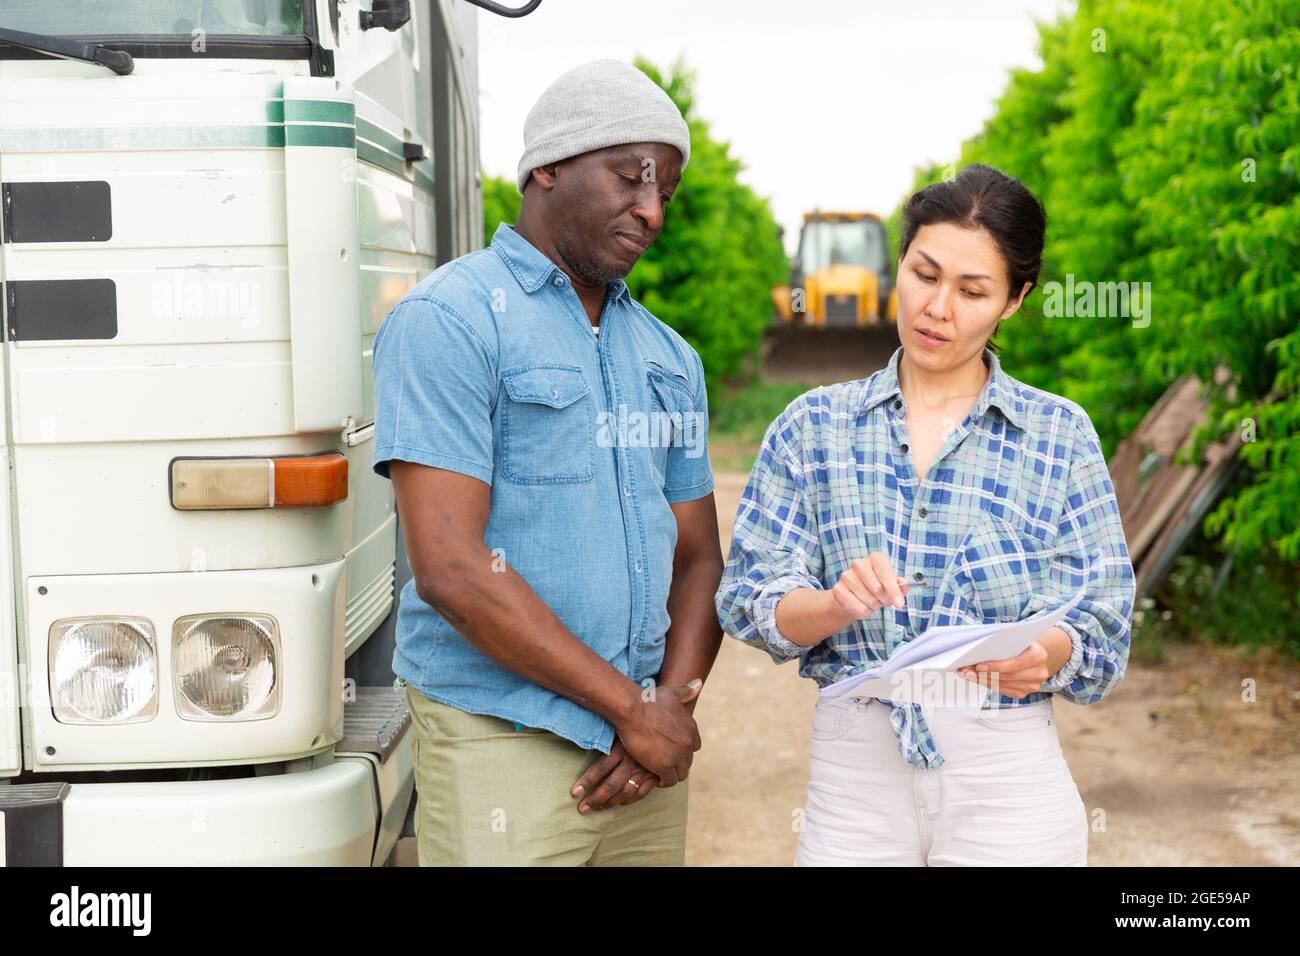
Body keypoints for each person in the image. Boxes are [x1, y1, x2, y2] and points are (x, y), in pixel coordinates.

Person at [716, 164, 1135, 866]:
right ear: (899, 264)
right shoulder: (812, 426)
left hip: (1007, 774)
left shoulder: (1059, 434)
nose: (937, 307)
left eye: (972, 291)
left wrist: (1047, 654)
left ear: (1014, 300)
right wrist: (830, 605)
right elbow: (748, 595)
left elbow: (1104, 617)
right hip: (856, 770)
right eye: (923, 273)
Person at [371, 59, 724, 866]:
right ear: (548, 166)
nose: (651, 210)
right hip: (504, 737)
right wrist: (634, 711)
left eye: (666, 191)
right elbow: (454, 569)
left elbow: (701, 559)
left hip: (638, 763)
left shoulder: (671, 359)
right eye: (632, 178)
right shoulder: (450, 321)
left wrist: (664, 710)